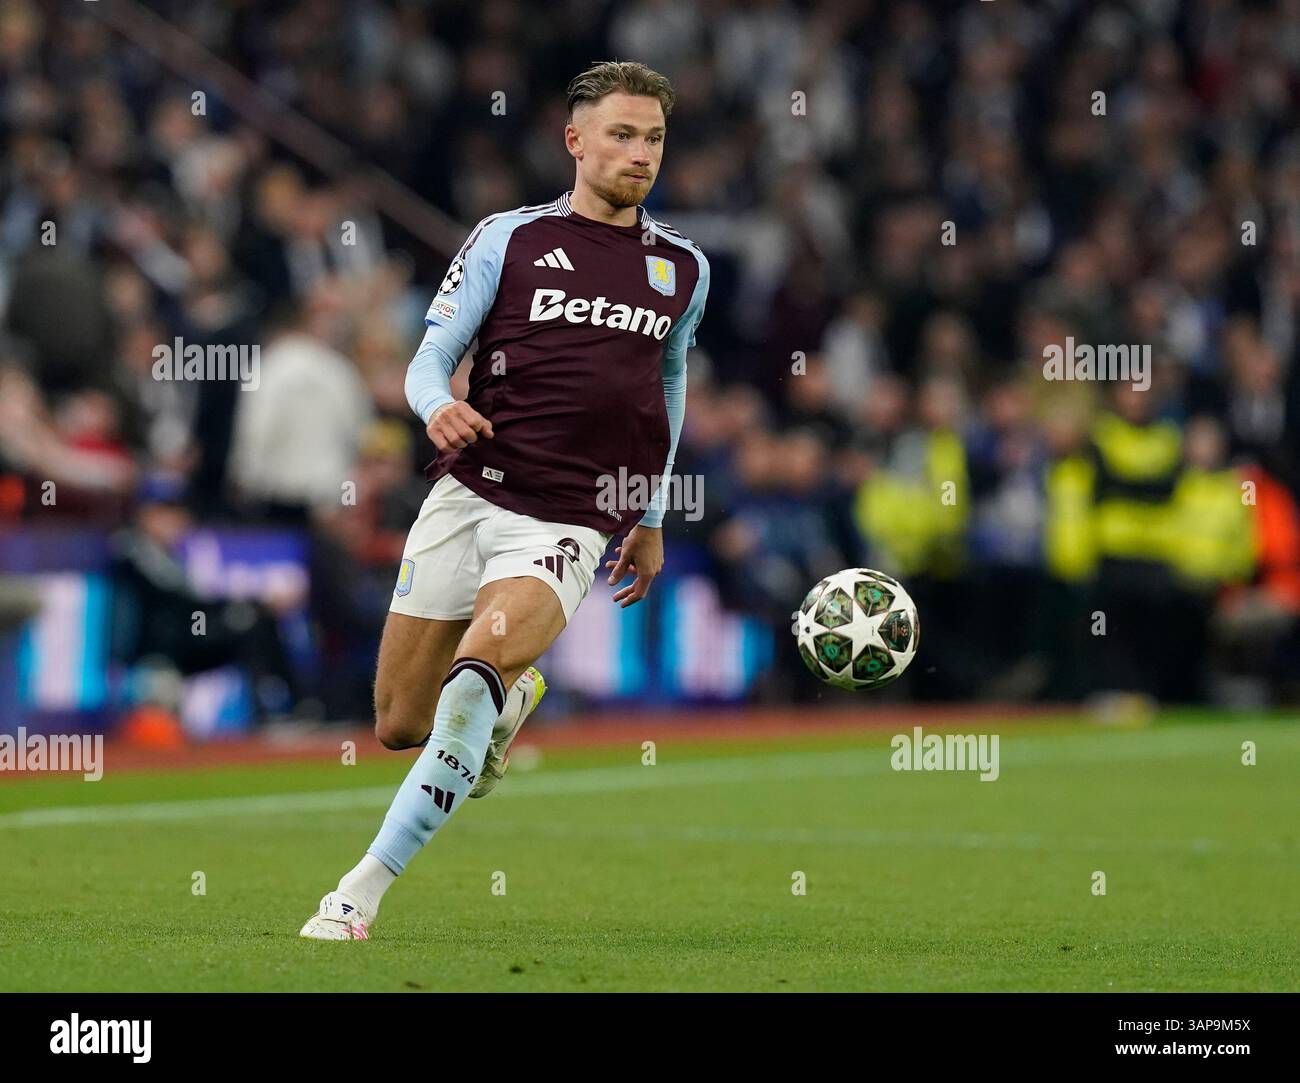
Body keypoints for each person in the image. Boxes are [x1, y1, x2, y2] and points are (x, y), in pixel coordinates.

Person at [300, 60, 710, 940]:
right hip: (468, 496)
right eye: (623, 135)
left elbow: (665, 385)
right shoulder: (508, 239)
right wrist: (436, 404)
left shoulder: (682, 269)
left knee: (467, 689)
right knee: (399, 723)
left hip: (568, 520)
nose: (642, 154)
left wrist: (648, 512)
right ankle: (514, 698)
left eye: (655, 139)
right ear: (575, 140)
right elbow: (425, 357)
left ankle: (358, 893)